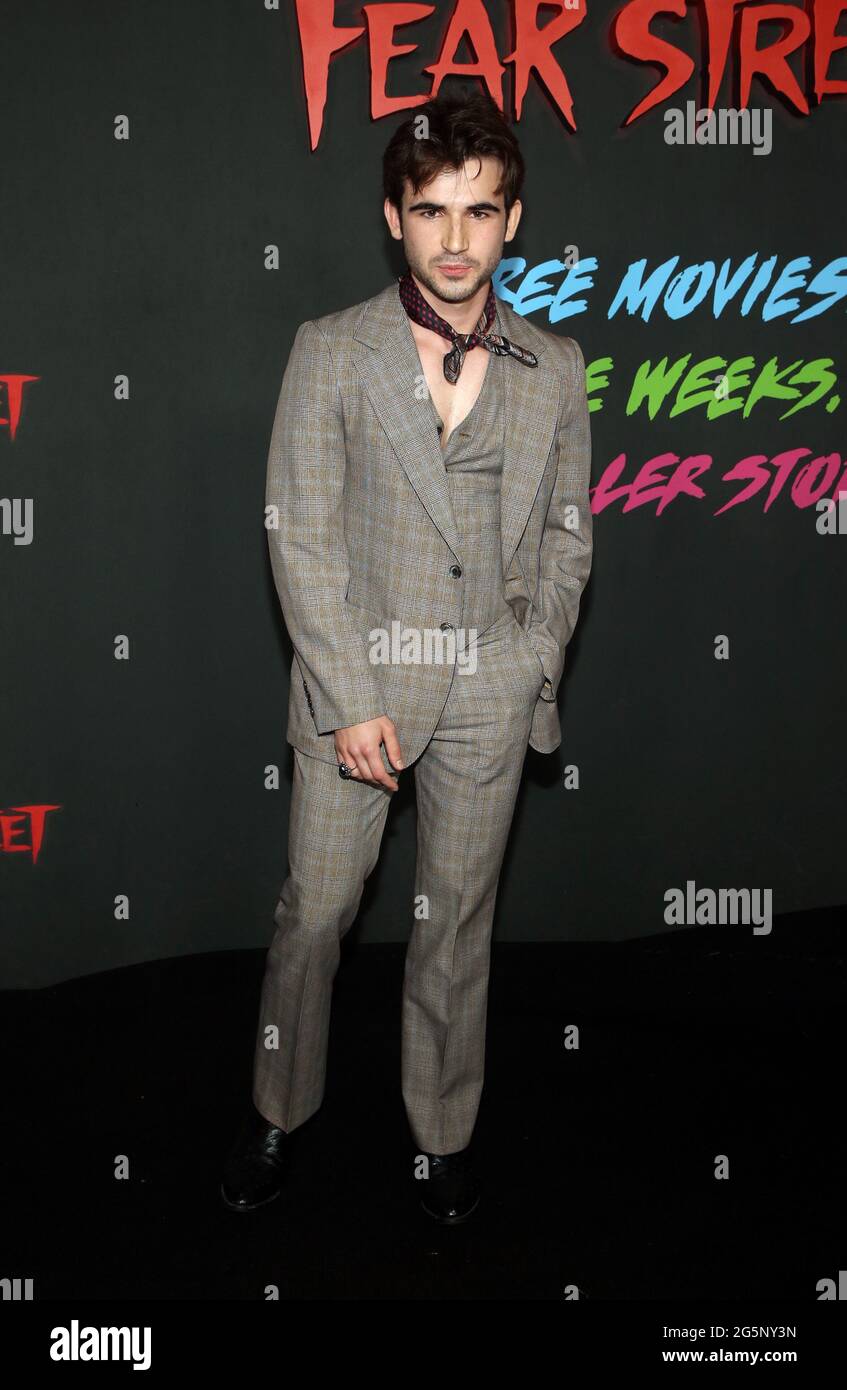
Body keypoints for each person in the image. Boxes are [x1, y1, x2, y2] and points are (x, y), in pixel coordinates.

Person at [221, 88, 593, 1224]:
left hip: (490, 679)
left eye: (478, 213)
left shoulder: (558, 366)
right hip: (360, 686)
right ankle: (280, 1114)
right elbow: (303, 532)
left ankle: (440, 1134)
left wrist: (530, 655)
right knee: (316, 913)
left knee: (453, 926)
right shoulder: (331, 352)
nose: (454, 238)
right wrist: (346, 695)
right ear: (394, 215)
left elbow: (569, 536)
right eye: (431, 211)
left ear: (512, 221)